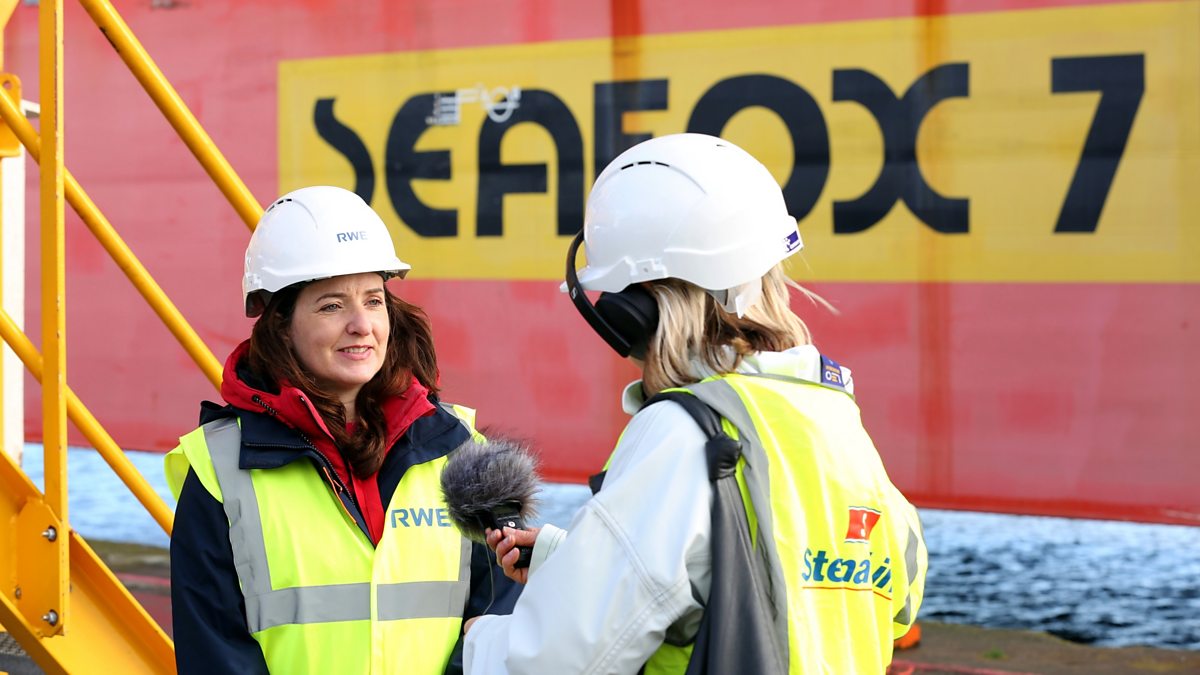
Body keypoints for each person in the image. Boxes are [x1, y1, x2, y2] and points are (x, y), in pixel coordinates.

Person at [463, 133, 927, 674]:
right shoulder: (835, 418)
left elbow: (558, 661)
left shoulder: (683, 431)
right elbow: (897, 598)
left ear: (636, 309)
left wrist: (482, 642)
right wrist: (577, 561)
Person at [165, 185, 520, 674]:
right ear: (281, 323)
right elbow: (214, 652)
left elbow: (501, 616)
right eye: (332, 305)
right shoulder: (218, 469)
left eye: (374, 301)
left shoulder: (463, 451)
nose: (361, 324)